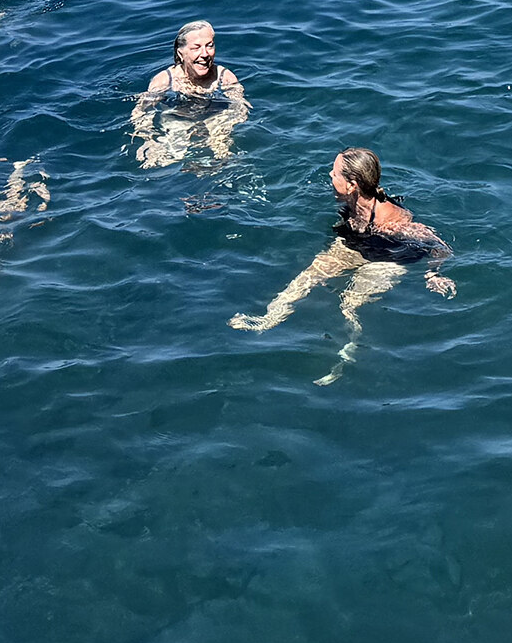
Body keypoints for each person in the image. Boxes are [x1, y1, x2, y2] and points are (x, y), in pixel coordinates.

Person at [231, 148, 454, 383]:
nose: (330, 175)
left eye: (335, 173)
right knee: (306, 278)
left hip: (386, 256)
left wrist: (433, 274)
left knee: (349, 304)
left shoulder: (392, 222)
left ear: (352, 185)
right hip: (355, 243)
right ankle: (268, 319)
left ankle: (348, 351)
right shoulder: (354, 201)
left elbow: (439, 246)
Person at [132, 21, 249, 167]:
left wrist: (229, 124)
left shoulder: (225, 77)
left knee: (223, 156)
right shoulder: (164, 80)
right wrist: (148, 140)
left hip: (215, 118)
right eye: (196, 48)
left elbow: (240, 107)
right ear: (180, 53)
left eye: (210, 46)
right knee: (164, 159)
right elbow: (141, 112)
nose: (205, 54)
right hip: (178, 119)